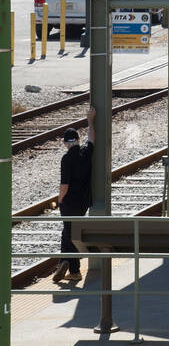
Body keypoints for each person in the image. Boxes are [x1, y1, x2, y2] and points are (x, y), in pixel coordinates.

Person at [53, 107, 95, 284]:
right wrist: (90, 120)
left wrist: (60, 199)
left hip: (69, 202)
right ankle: (66, 264)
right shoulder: (85, 152)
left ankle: (72, 268)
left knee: (68, 233)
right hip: (83, 202)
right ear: (77, 140)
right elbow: (92, 138)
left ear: (65, 143)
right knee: (69, 232)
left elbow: (64, 185)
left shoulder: (66, 159)